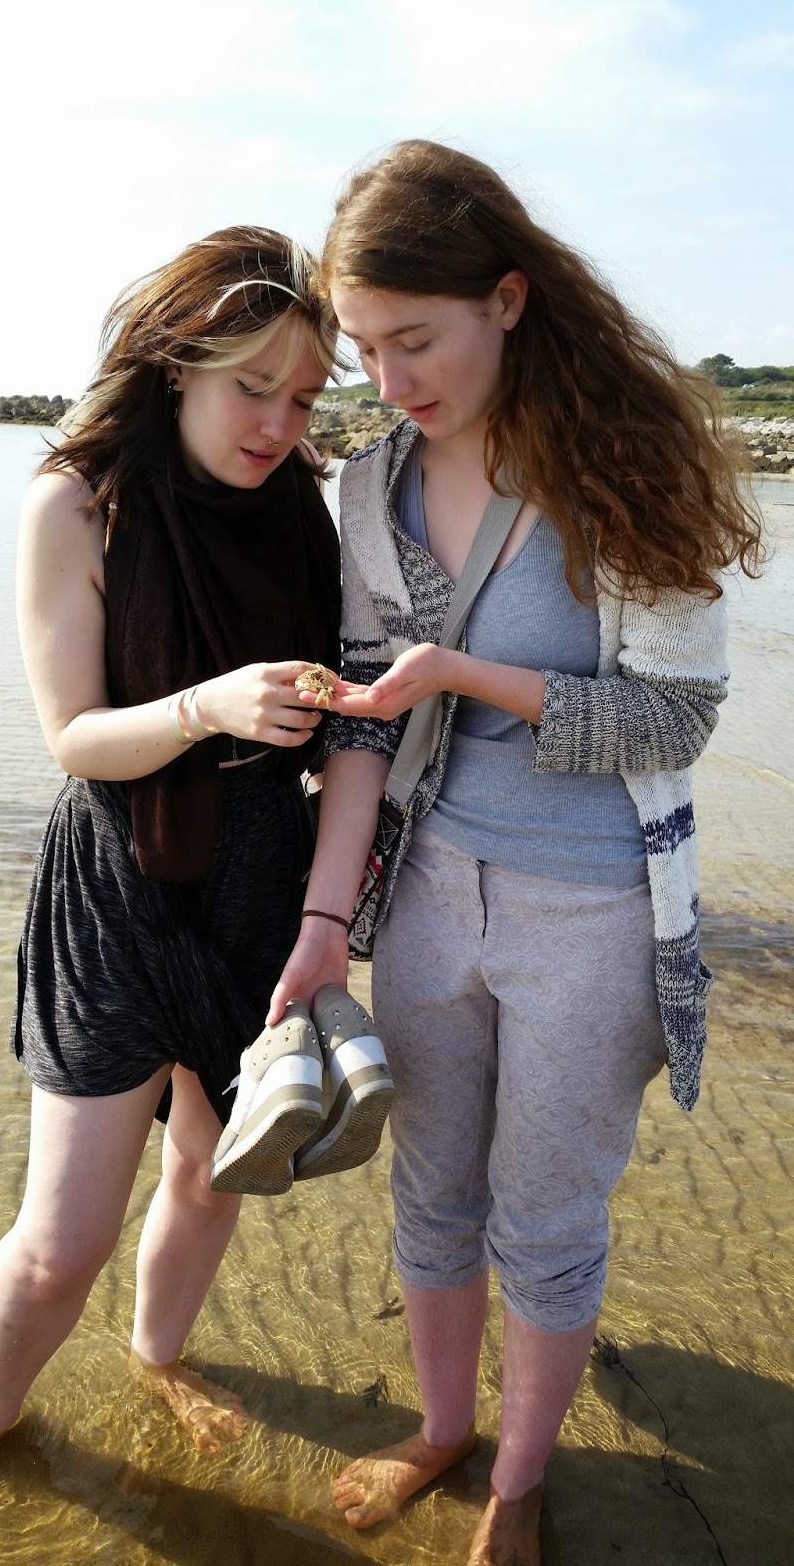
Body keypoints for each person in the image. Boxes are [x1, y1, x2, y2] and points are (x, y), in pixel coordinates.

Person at [271, 141, 762, 1565]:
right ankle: (439, 1429)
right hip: (424, 897)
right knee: (430, 1193)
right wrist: (323, 919)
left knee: (547, 1216)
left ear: (508, 297)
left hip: (596, 908)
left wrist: (468, 679)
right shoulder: (366, 491)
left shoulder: (627, 471)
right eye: (363, 349)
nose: (389, 379)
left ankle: (520, 1478)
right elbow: (364, 729)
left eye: (413, 339)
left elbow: (677, 715)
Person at [0, 226, 341, 1503]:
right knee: (61, 1239)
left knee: (208, 1171)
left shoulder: (303, 509)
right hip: (120, 875)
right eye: (251, 387)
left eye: (304, 396)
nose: (278, 423)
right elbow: (75, 740)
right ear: (175, 363)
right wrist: (210, 707)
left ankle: (158, 1359)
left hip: (262, 871)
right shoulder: (76, 501)